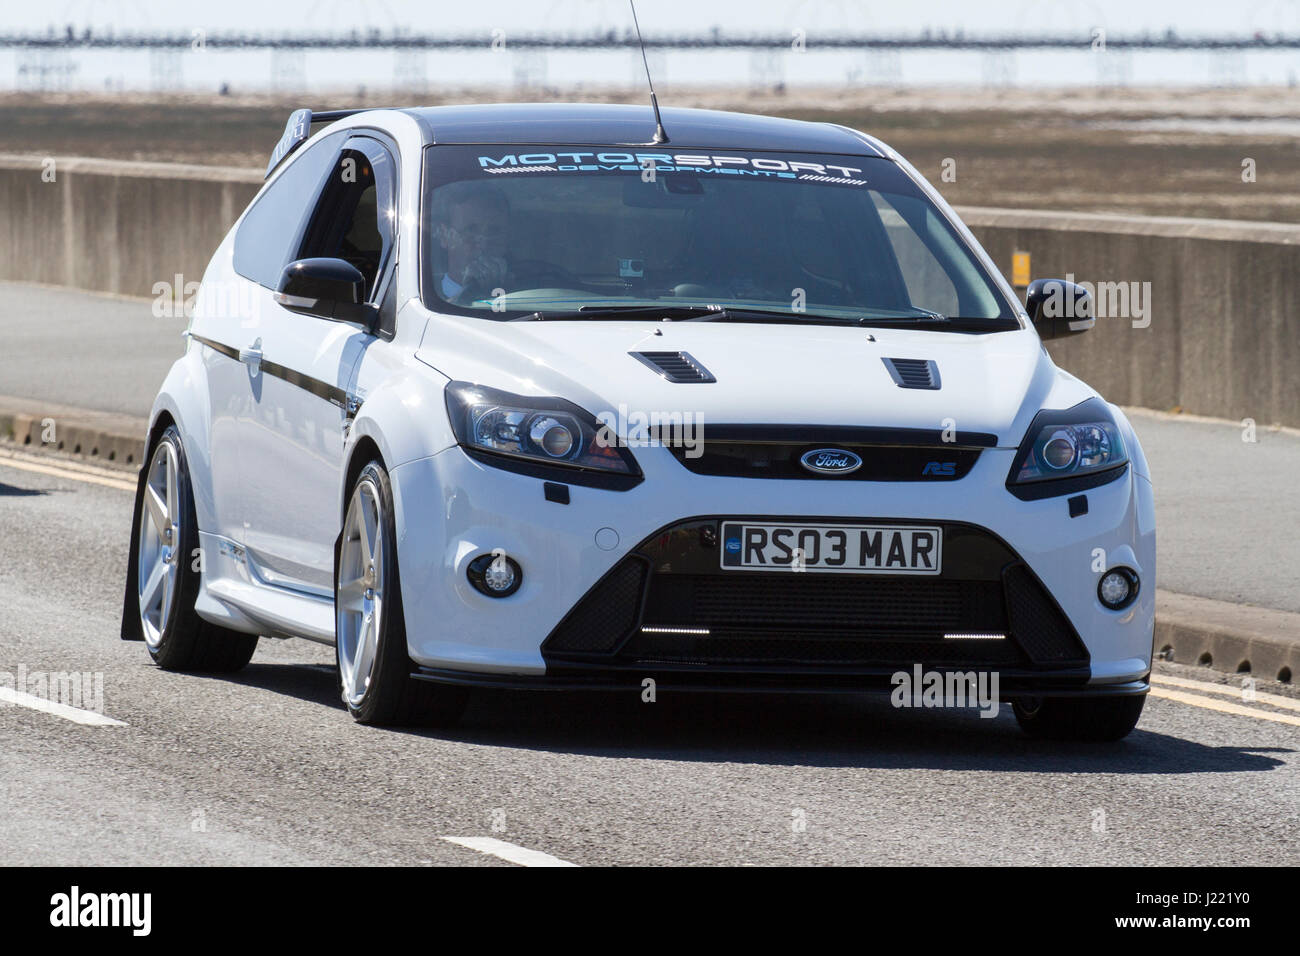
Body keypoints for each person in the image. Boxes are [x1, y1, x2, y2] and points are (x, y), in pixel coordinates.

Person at [435, 183, 511, 305]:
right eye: (470, 230)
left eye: (494, 231)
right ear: (445, 236)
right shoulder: (423, 299)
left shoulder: (530, 293)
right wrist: (467, 292)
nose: (484, 244)